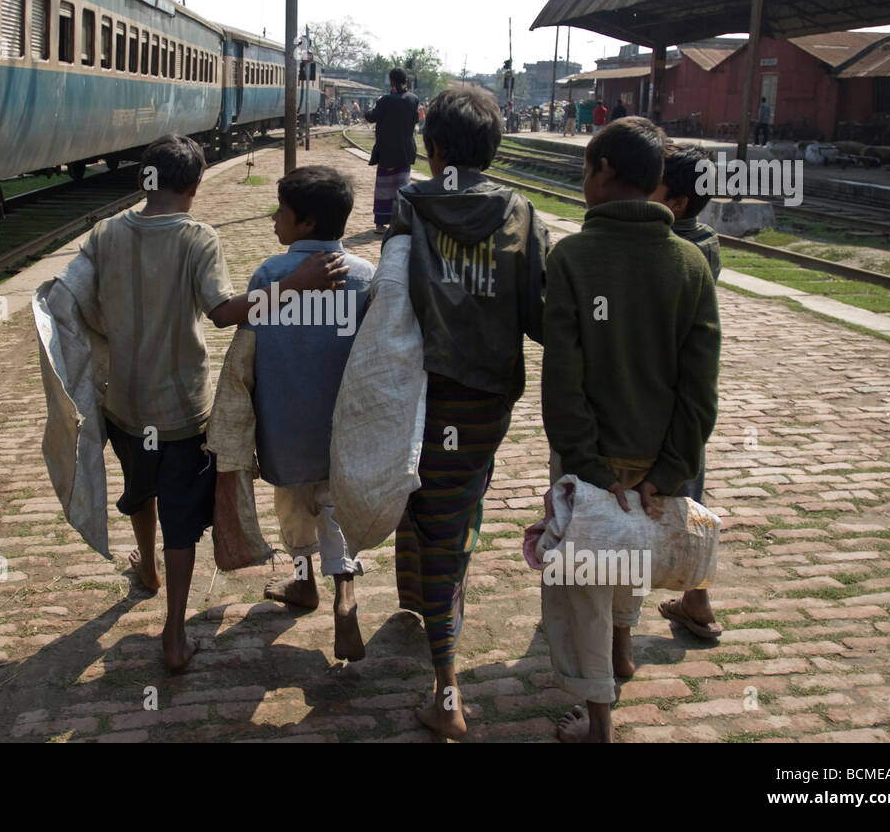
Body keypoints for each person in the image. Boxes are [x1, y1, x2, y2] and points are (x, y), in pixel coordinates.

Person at [80, 134, 344, 672]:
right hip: (182, 410)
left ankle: (146, 570)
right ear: (197, 186)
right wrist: (296, 282)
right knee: (182, 518)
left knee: (139, 490)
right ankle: (174, 635)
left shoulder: (104, 234)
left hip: (124, 404)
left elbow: (76, 304)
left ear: (143, 181)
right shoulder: (198, 238)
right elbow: (225, 313)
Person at [540, 117, 720, 742]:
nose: (584, 180)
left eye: (587, 168)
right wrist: (669, 471)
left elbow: (564, 382)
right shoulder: (691, 265)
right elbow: (699, 389)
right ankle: (624, 647)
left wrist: (586, 469)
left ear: (606, 172)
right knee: (633, 555)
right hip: (657, 457)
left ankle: (599, 720)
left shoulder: (572, 258)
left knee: (584, 581)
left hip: (591, 456)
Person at [386, 85, 550, 738]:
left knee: (434, 523)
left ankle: (447, 691)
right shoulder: (520, 212)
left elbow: (392, 307)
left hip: (422, 395)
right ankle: (436, 603)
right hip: (486, 401)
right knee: (452, 511)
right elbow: (540, 317)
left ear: (436, 147)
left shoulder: (409, 206)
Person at [251, 166, 377, 661]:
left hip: (283, 427)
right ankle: (345, 598)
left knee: (293, 510)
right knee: (335, 510)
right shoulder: (364, 278)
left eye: (280, 212)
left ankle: (304, 585)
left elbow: (252, 331)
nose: (274, 219)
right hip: (341, 429)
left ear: (303, 223)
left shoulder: (269, 275)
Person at [649, 141, 723, 641]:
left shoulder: (670, 249)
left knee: (647, 499)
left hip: (658, 392)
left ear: (674, 203)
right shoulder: (709, 242)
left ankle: (612, 620)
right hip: (689, 397)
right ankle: (697, 600)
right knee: (689, 499)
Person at [364, 69, 420, 233]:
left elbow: (372, 116)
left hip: (387, 151)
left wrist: (367, 111)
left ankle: (381, 223)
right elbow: (415, 119)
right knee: (403, 185)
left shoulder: (385, 100)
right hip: (405, 150)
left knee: (384, 187)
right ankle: (402, 221)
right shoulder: (413, 99)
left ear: (392, 81)